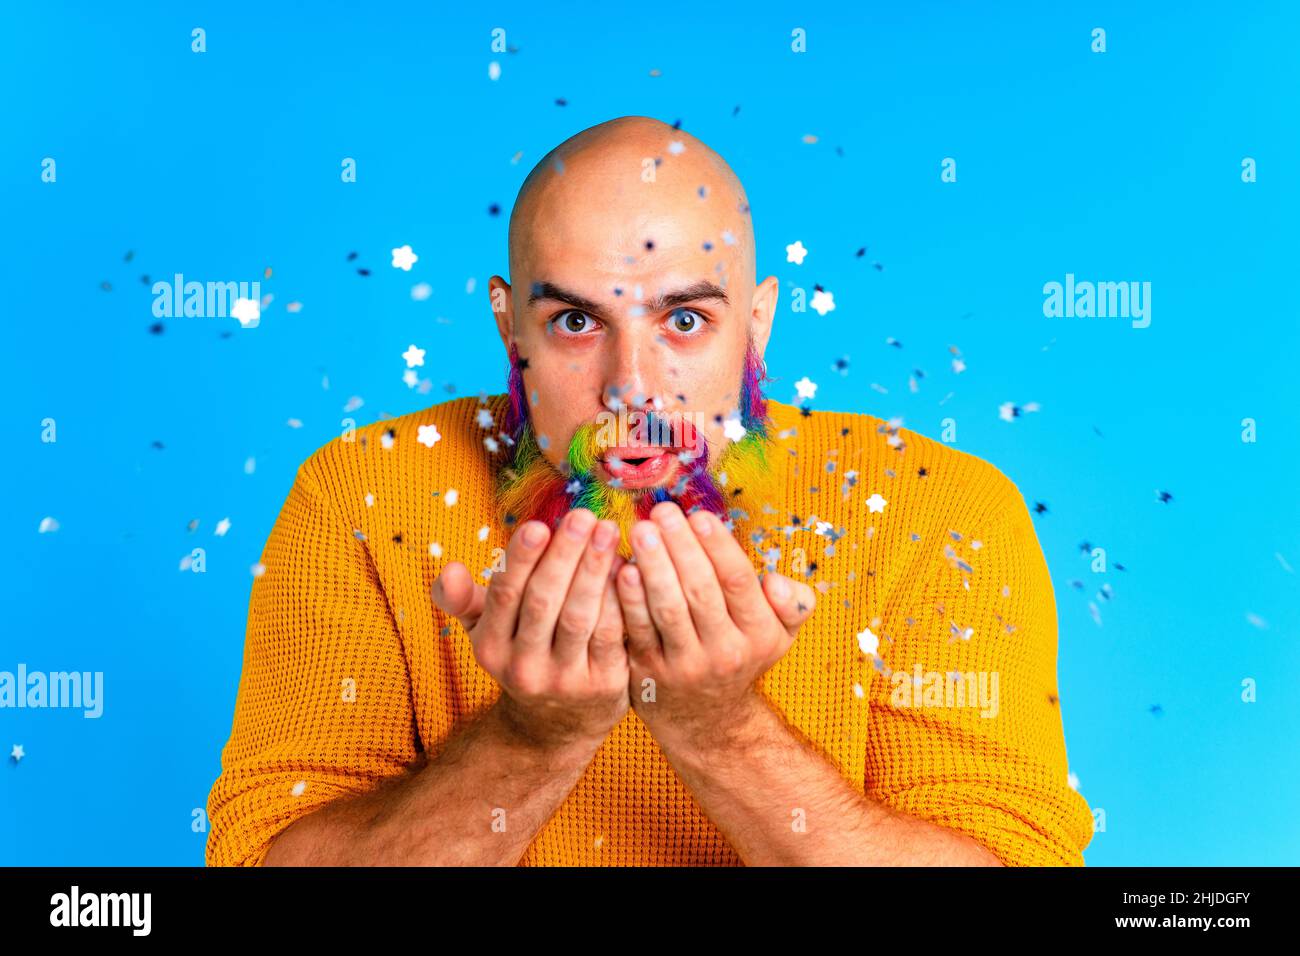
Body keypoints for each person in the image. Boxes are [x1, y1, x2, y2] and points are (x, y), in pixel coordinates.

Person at [205, 115, 1094, 866]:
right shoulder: (363, 495)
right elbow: (264, 850)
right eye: (577, 321)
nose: (633, 387)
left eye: (684, 320)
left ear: (757, 325)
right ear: (509, 326)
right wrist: (531, 738)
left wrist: (720, 729)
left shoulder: (937, 507)